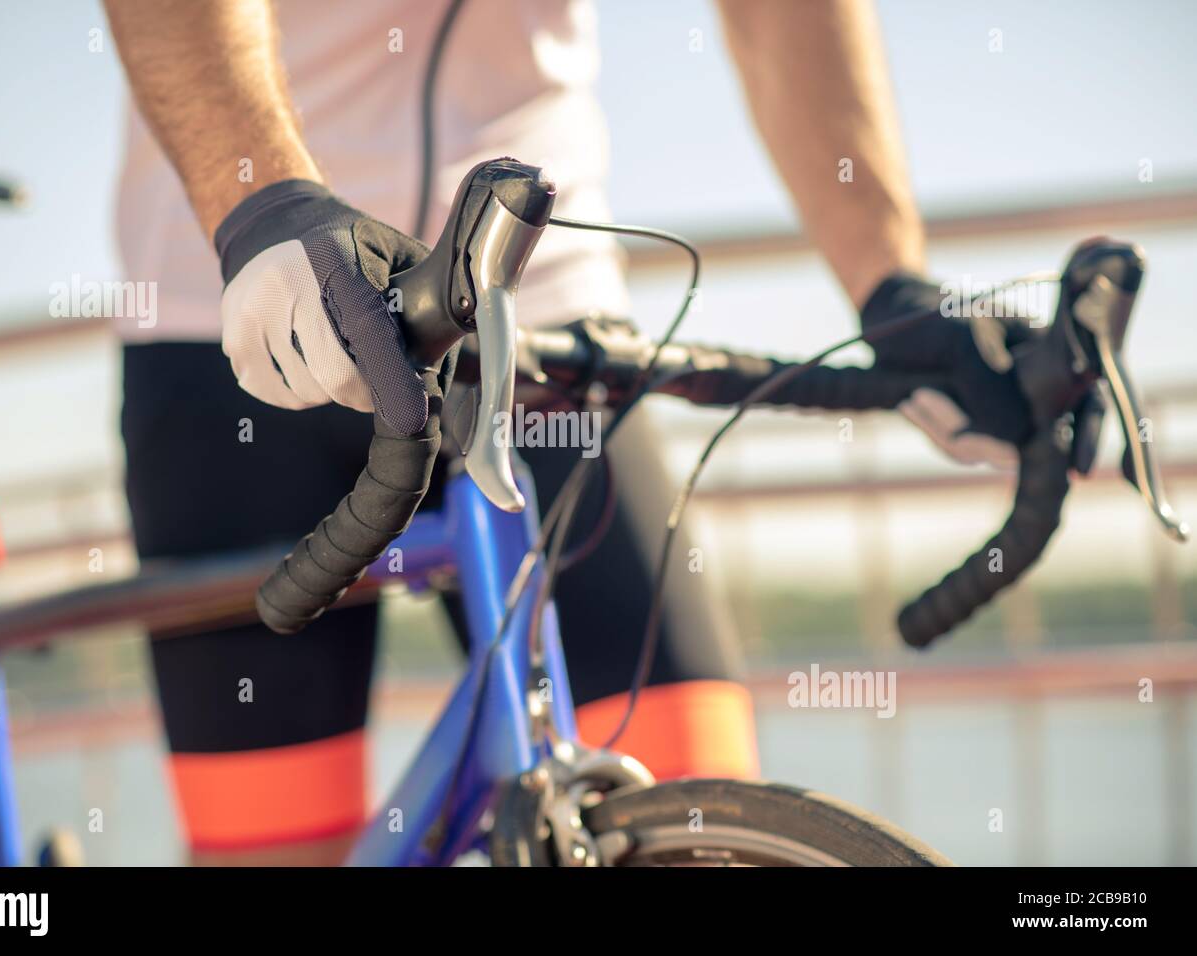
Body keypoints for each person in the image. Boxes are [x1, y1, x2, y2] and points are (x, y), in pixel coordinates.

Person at [103, 0, 1036, 865]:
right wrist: (262, 199)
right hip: (252, 300)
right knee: (272, 853)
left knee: (696, 818)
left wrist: (890, 283)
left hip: (536, 307)